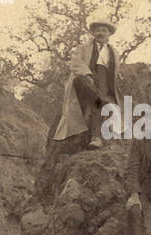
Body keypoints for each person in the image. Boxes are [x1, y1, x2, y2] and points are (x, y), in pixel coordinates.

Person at [50, 11, 123, 154]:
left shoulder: (114, 52)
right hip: (86, 83)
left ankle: (96, 138)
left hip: (104, 86)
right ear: (93, 33)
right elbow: (75, 64)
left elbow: (114, 72)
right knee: (80, 80)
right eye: (97, 30)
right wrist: (88, 74)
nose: (100, 33)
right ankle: (102, 102)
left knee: (97, 102)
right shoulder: (83, 48)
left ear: (109, 34)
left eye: (103, 30)